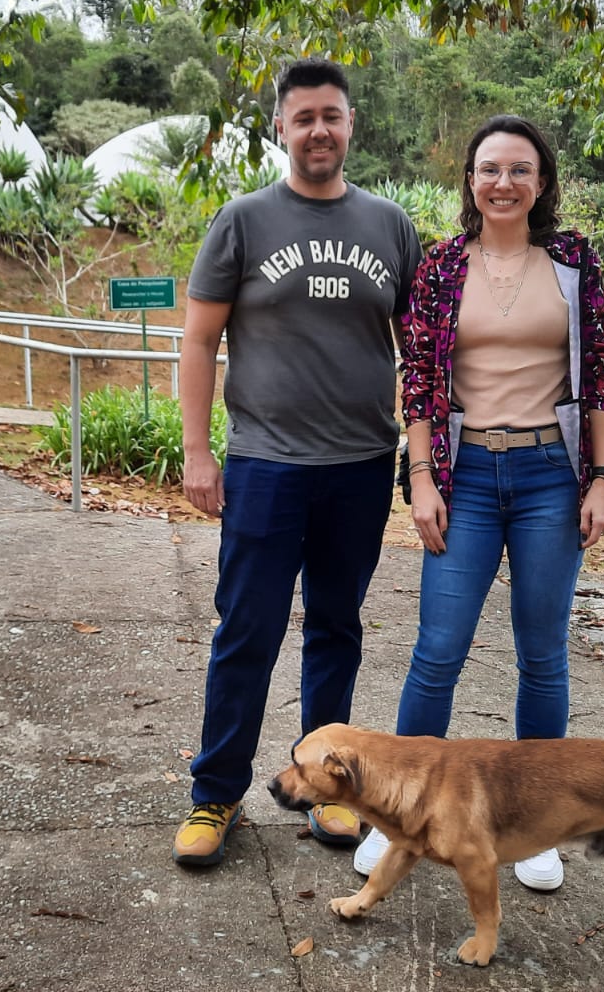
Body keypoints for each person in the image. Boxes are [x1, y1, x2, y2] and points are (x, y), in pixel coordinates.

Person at [352, 114, 604, 891]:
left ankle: (531, 828)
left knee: (543, 654)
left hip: (548, 477)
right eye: (489, 169)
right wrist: (423, 479)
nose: (504, 183)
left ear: (543, 181)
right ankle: (398, 820)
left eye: (520, 169)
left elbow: (600, 371)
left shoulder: (572, 261)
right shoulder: (440, 267)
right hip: (464, 478)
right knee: (439, 650)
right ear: (470, 181)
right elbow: (421, 384)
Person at [171, 58, 424, 867]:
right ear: (279, 126)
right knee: (246, 630)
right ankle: (217, 793)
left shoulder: (390, 226)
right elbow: (200, 339)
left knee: (337, 629)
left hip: (358, 466)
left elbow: (418, 355)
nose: (319, 129)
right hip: (266, 465)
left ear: (352, 126)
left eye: (333, 116)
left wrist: (419, 462)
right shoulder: (243, 220)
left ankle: (331, 791)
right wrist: (197, 452)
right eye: (303, 116)